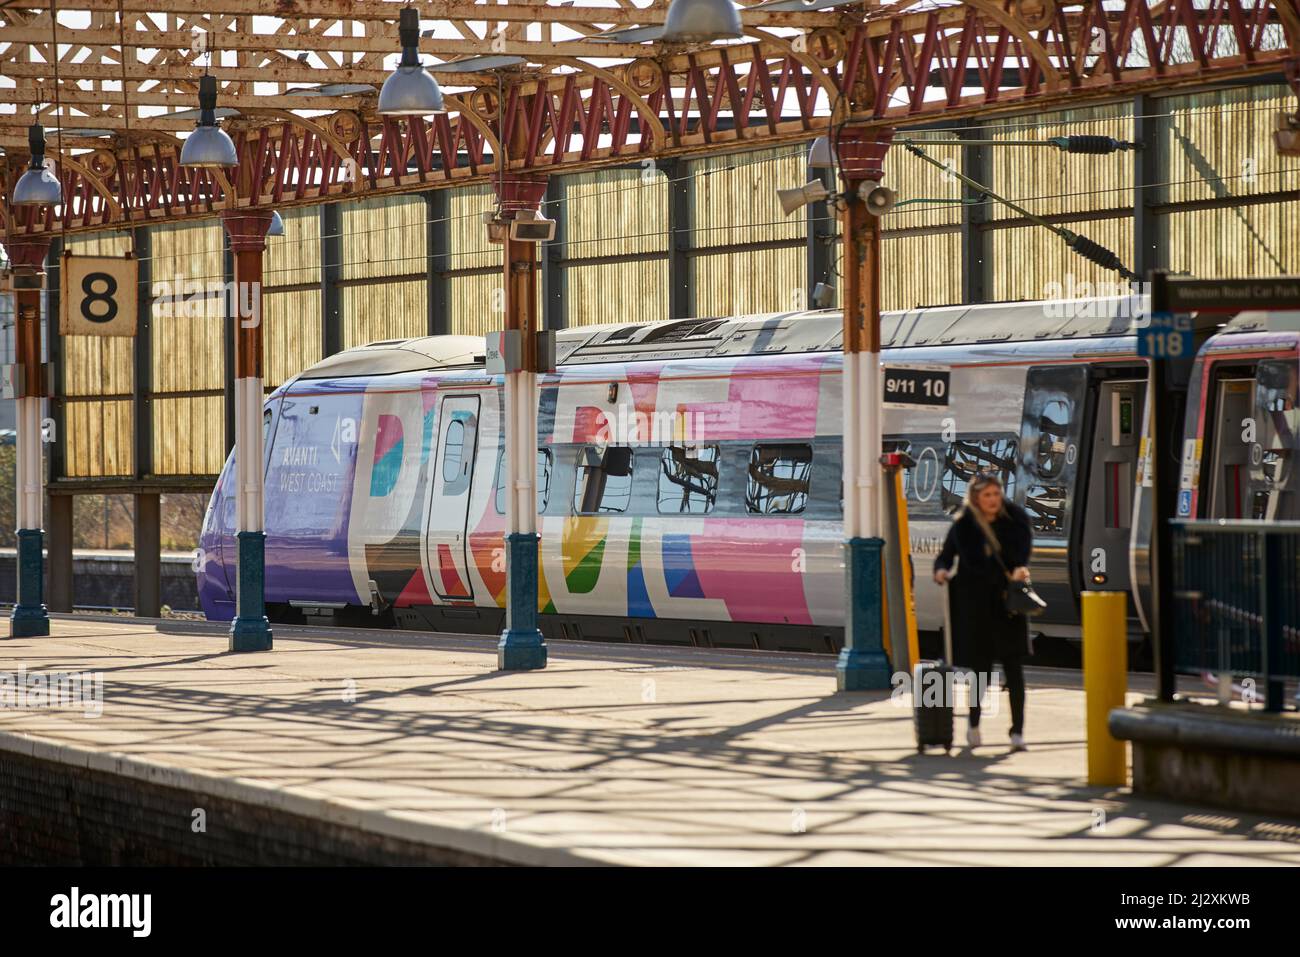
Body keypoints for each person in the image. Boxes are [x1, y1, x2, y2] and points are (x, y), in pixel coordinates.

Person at [932, 472, 1034, 752]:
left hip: (1007, 604)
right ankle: (974, 725)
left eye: (996, 494)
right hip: (976, 606)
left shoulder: (1016, 521)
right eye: (986, 495)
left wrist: (1019, 569)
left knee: (1014, 670)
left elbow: (1021, 555)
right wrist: (940, 570)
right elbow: (946, 555)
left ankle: (1018, 731)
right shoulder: (964, 525)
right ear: (976, 498)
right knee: (980, 671)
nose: (992, 500)